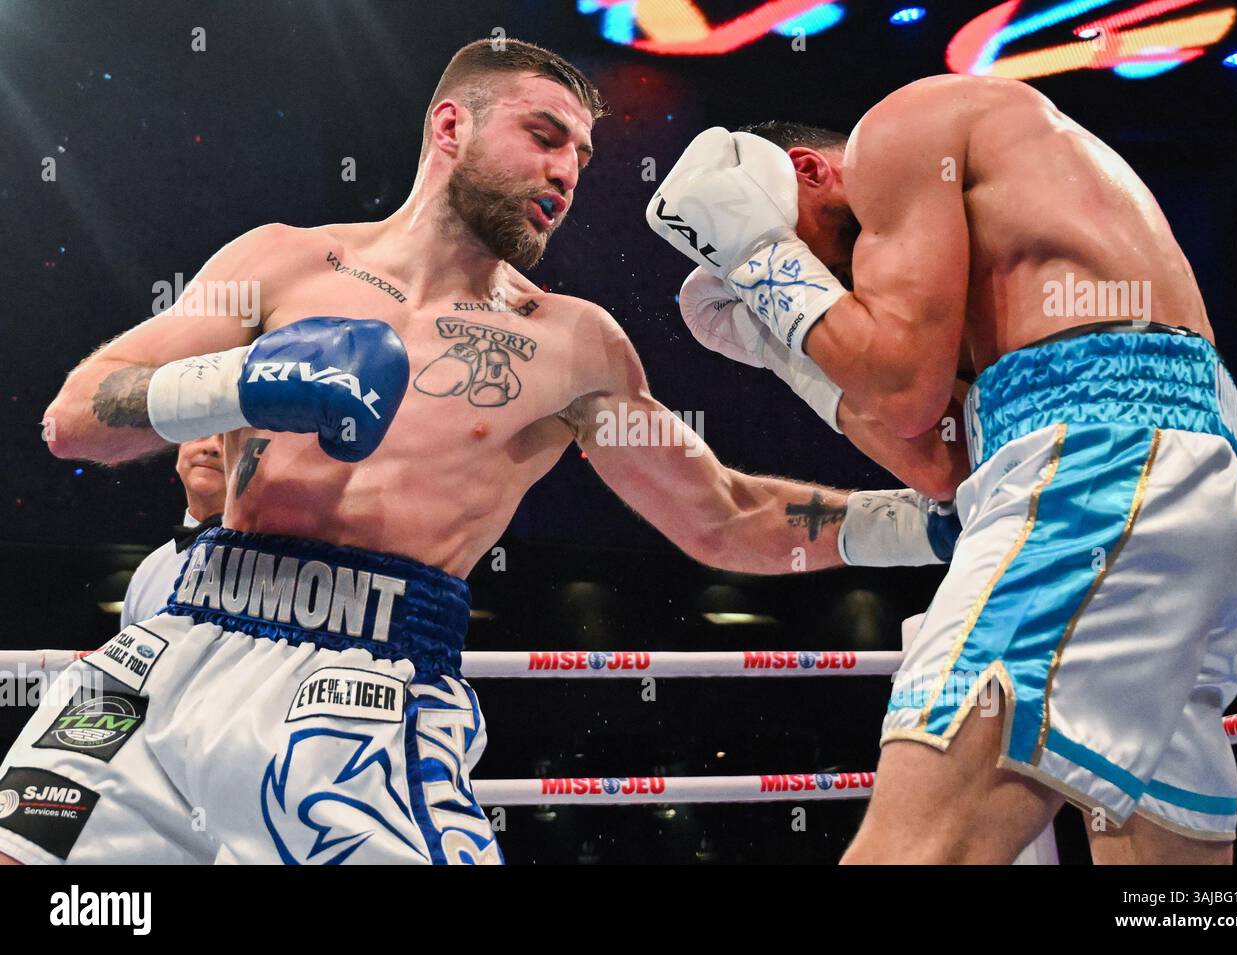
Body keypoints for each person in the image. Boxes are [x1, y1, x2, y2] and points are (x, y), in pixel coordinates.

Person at [0, 39, 955, 866]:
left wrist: (930, 523)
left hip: (367, 684)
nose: (569, 172)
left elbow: (726, 517)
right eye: (544, 137)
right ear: (451, 127)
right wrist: (242, 384)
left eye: (581, 154)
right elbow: (76, 417)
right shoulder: (279, 260)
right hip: (170, 652)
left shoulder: (574, 343)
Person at [647, 74, 1237, 863]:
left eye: (798, 247)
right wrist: (784, 347)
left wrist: (758, 258)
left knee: (914, 849)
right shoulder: (997, 262)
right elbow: (941, 463)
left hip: (1096, 476)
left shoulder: (903, 127)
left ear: (807, 170)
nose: (830, 290)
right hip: (1177, 498)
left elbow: (900, 389)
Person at [120, 435, 226, 629]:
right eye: (201, 430)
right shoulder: (149, 571)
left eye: (229, 439)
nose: (211, 447)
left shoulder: (279, 563)